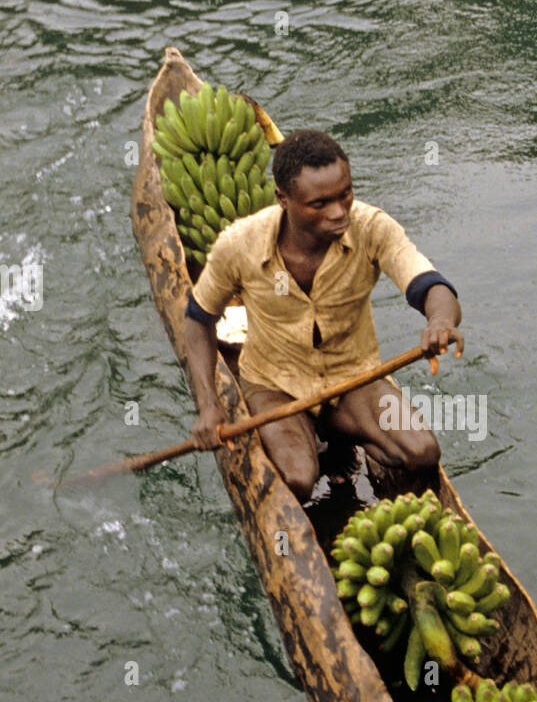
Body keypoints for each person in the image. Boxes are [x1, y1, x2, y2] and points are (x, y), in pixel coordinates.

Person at [183, 128, 463, 501]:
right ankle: (314, 445)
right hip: (275, 385)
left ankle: (341, 434)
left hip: (352, 378)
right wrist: (208, 406)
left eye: (345, 194)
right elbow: (198, 319)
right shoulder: (240, 244)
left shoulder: (371, 227)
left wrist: (440, 321)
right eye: (319, 204)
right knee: (297, 479)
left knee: (421, 452)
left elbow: (429, 283)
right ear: (283, 198)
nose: (338, 212)